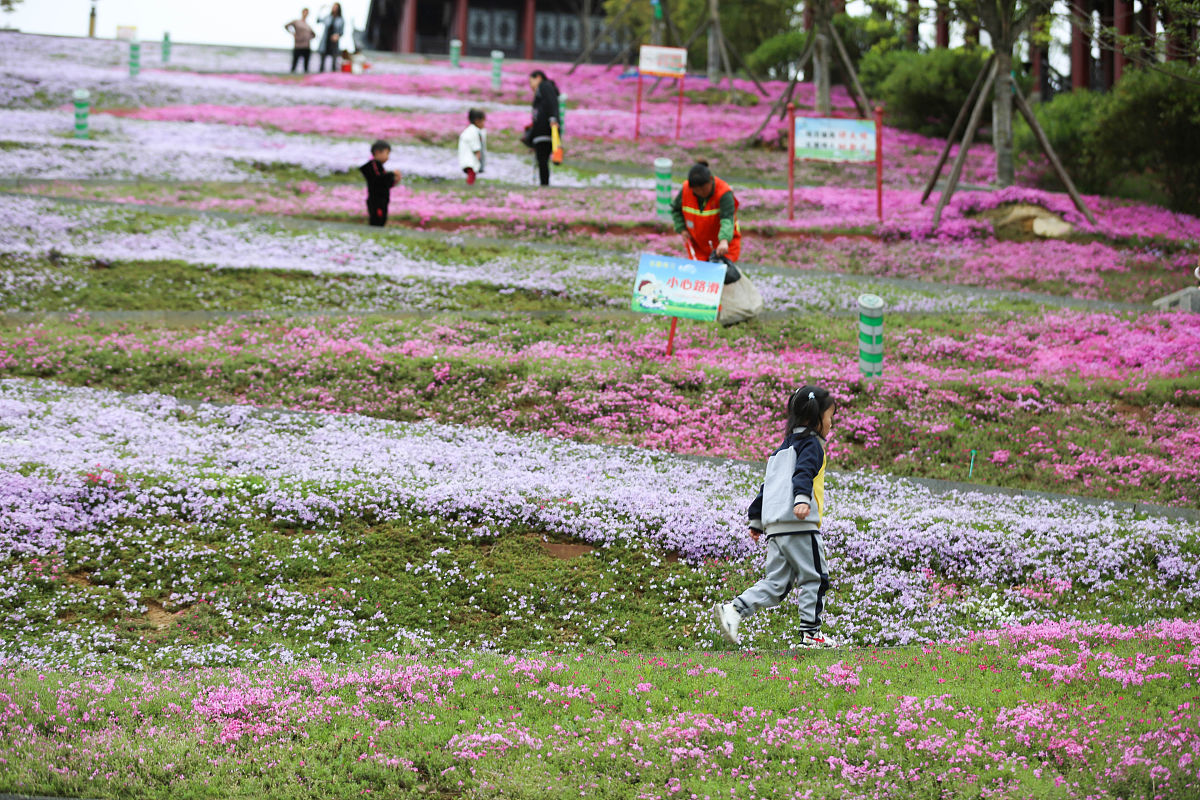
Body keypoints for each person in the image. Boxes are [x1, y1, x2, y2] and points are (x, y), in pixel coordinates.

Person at [713, 385, 839, 649]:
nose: (831, 424)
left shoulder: (780, 450)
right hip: (799, 524)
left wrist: (756, 520)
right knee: (816, 577)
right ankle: (811, 634)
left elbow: (767, 486)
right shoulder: (813, 445)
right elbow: (804, 473)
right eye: (830, 417)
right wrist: (801, 499)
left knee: (777, 584)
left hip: (776, 527)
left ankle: (734, 610)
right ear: (816, 418)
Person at [671, 161, 741, 262]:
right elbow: (676, 210)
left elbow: (727, 219)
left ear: (711, 180)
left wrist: (724, 240)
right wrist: (682, 229)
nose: (701, 192)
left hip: (723, 246)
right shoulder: (686, 189)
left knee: (724, 271)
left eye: (703, 189)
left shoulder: (724, 192)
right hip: (698, 246)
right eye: (696, 190)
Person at [526, 69, 561, 186]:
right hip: (542, 131)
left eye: (531, 81)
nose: (531, 85)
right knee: (542, 159)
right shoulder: (541, 91)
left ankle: (544, 184)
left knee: (542, 159)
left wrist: (553, 119)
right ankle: (544, 184)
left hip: (544, 130)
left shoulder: (545, 86)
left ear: (539, 77)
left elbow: (552, 103)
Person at [359, 139, 398, 226]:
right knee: (377, 221)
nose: (388, 157)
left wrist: (395, 180)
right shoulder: (372, 165)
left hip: (382, 200)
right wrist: (392, 174)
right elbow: (378, 180)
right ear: (377, 152)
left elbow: (385, 184)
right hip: (376, 200)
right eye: (387, 153)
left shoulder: (379, 166)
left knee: (381, 220)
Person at [458, 109, 487, 186]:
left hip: (467, 157)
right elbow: (475, 144)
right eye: (483, 121)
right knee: (472, 174)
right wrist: (478, 154)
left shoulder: (471, 130)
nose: (484, 124)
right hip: (470, 158)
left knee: (472, 174)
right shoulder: (473, 131)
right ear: (477, 121)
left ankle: (470, 185)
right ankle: (469, 186)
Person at [284, 8, 315, 73]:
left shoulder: (308, 25)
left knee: (306, 67)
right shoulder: (296, 22)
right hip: (298, 46)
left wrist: (309, 37)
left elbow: (314, 35)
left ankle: (305, 78)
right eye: (304, 12)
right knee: (294, 64)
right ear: (302, 12)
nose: (305, 14)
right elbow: (286, 26)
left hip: (307, 46)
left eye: (307, 13)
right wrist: (292, 33)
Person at [317, 3, 344, 73]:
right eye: (333, 7)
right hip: (326, 42)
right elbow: (318, 20)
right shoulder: (328, 17)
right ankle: (321, 74)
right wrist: (321, 10)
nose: (334, 8)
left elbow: (341, 32)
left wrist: (337, 35)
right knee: (322, 61)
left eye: (336, 7)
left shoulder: (341, 19)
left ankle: (333, 75)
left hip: (334, 43)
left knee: (334, 61)